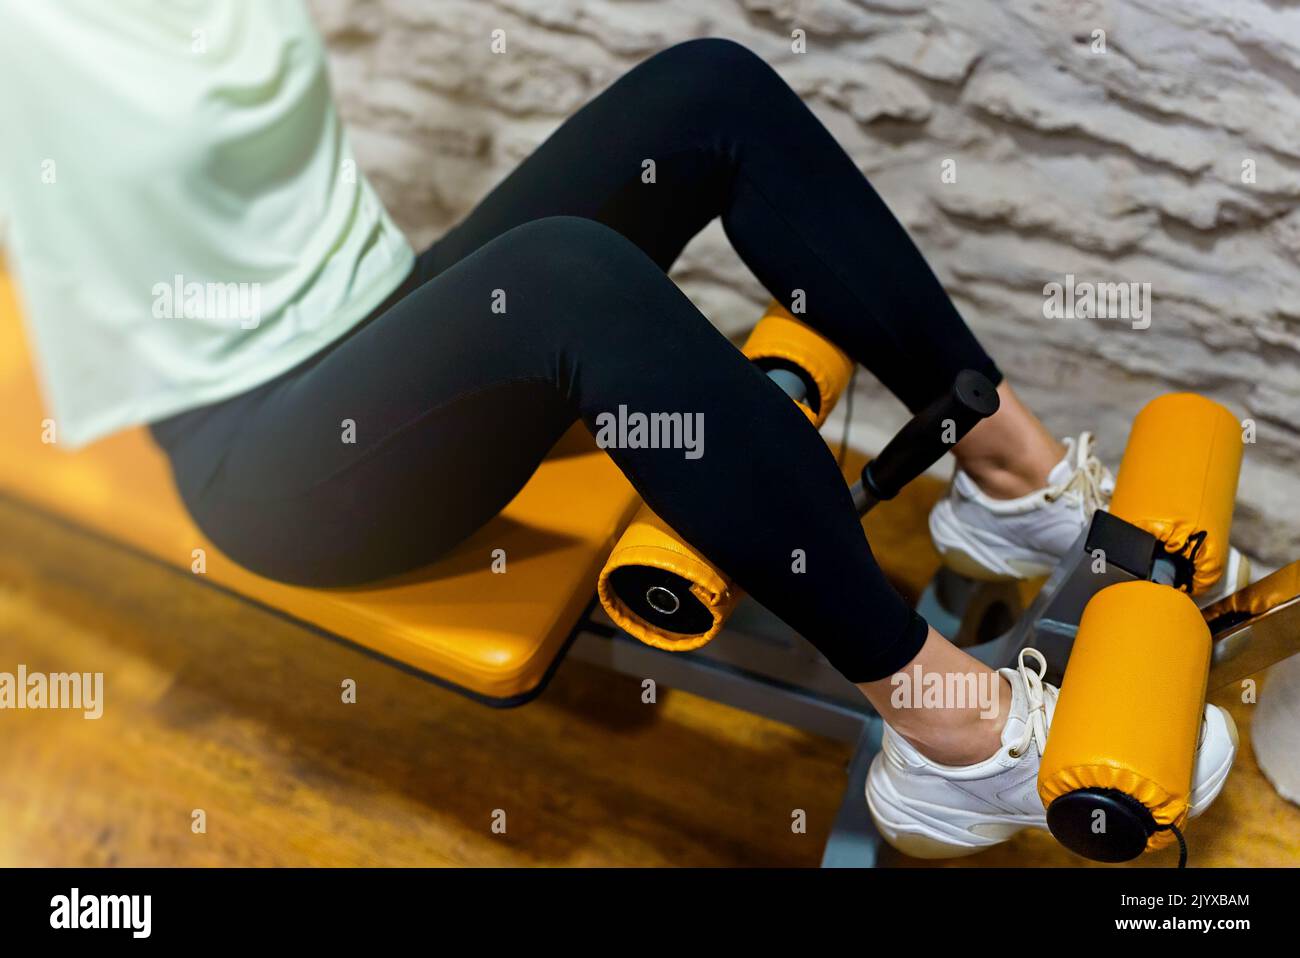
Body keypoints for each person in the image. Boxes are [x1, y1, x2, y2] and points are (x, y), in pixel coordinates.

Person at [0, 1, 1235, 858]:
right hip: (270, 455)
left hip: (387, 315)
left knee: (710, 91)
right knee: (564, 278)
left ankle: (1006, 477)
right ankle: (942, 732)